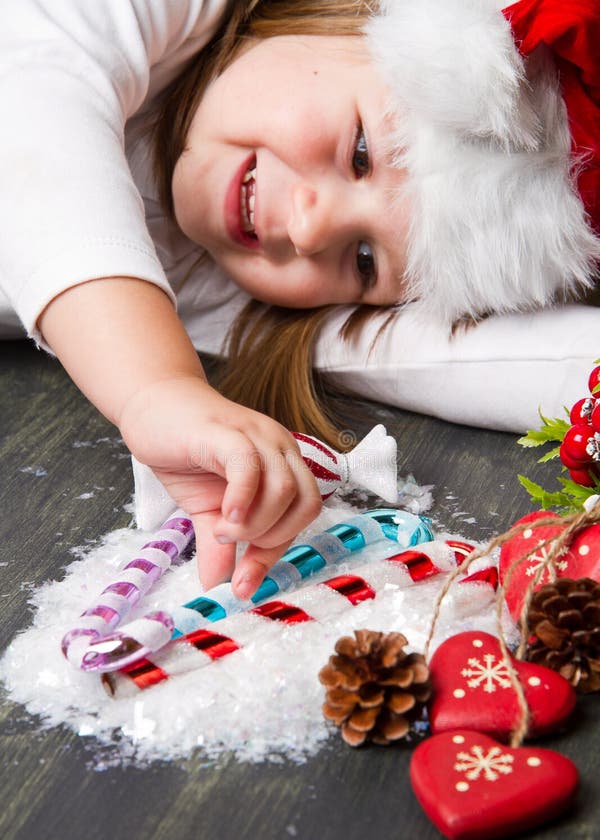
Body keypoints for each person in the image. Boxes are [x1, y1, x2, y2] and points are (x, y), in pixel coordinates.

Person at [1, 0, 599, 599]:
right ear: (348, 13)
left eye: (364, 260)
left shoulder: (242, 290)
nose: (310, 233)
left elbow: (493, 358)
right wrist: (155, 387)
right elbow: (35, 96)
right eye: (360, 154)